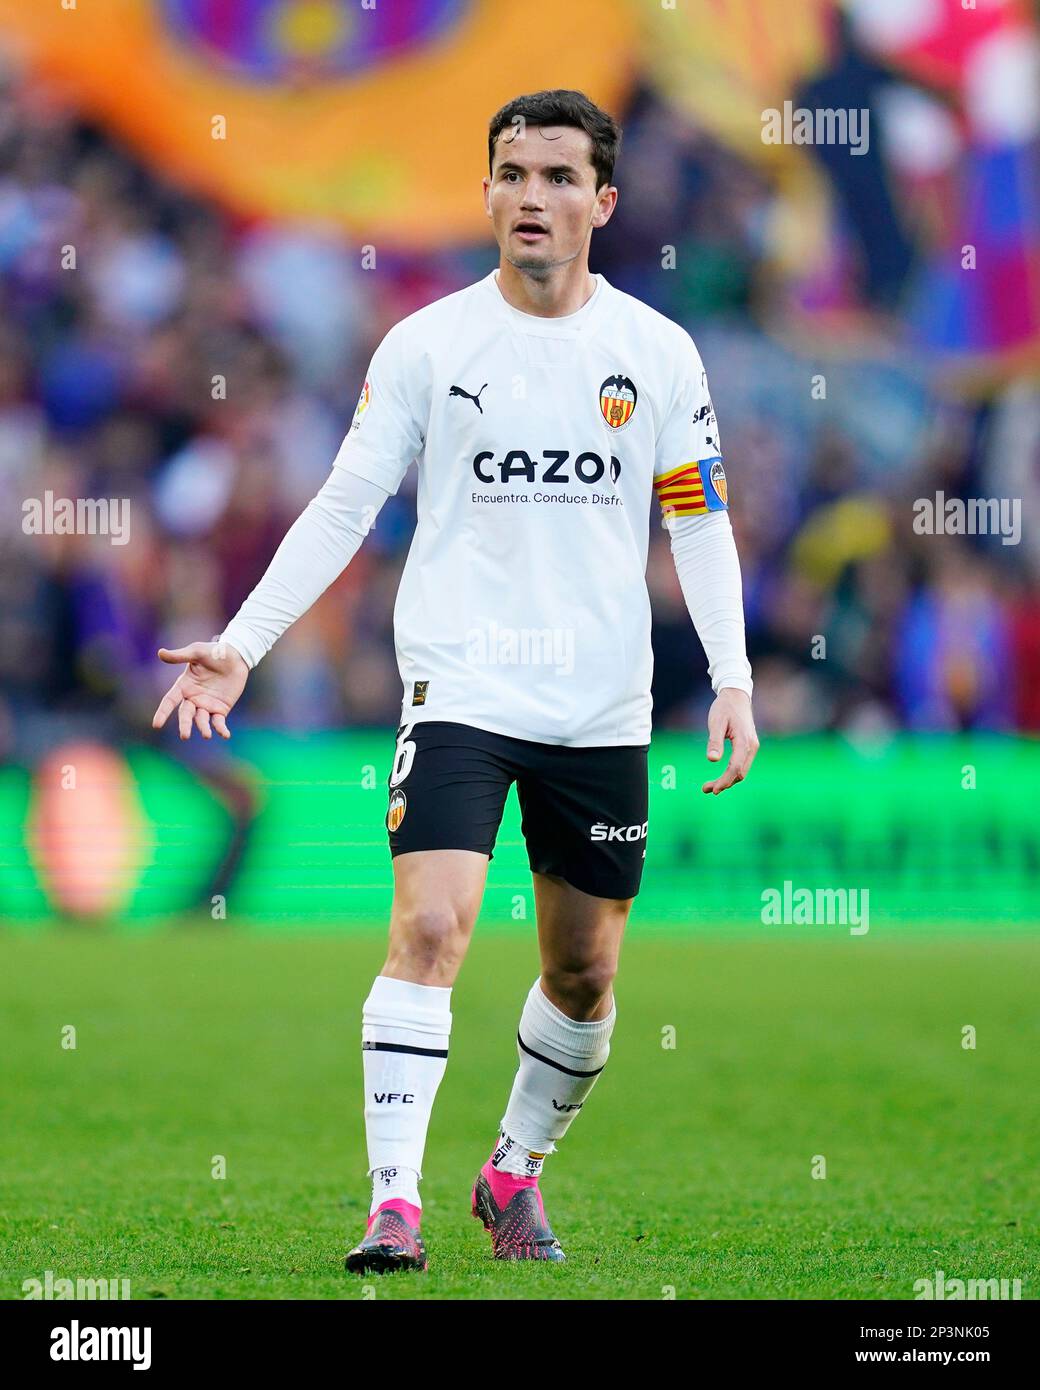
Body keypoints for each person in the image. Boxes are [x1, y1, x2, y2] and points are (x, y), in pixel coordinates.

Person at [152, 89, 759, 1273]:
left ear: (602, 200)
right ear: (485, 191)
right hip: (460, 687)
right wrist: (243, 640)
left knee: (581, 975)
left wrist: (730, 676)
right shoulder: (426, 346)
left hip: (599, 706)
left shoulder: (655, 352)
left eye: (557, 177)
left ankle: (509, 1172)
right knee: (430, 924)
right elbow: (343, 504)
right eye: (512, 174)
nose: (531, 196)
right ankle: (394, 1204)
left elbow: (695, 522)